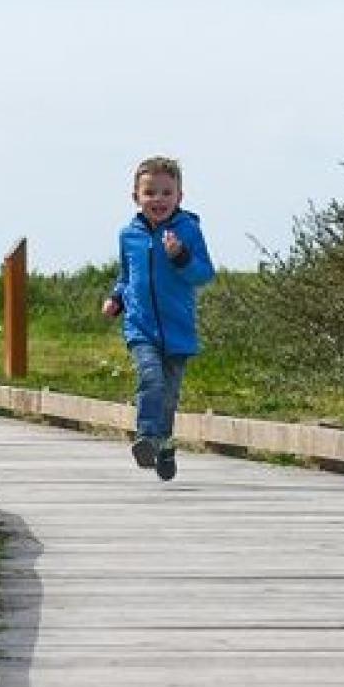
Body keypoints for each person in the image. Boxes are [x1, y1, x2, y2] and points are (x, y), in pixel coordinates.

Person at [100, 156, 215, 481]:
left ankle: (163, 445)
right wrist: (116, 299)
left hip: (177, 329)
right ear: (136, 197)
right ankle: (146, 437)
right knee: (150, 380)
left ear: (180, 196)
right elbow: (127, 276)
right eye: (150, 193)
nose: (158, 200)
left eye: (166, 193)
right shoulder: (128, 236)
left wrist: (180, 257)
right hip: (141, 327)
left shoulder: (188, 231)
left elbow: (203, 274)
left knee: (168, 397)